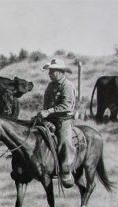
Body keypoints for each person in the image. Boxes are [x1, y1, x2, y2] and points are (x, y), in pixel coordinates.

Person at [38, 58, 77, 188]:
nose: (49, 73)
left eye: (52, 71)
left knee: (65, 142)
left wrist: (49, 111)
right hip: (49, 117)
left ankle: (66, 171)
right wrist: (43, 113)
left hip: (63, 119)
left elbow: (66, 105)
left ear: (60, 72)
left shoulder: (68, 86)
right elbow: (46, 103)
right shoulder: (51, 86)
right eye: (49, 71)